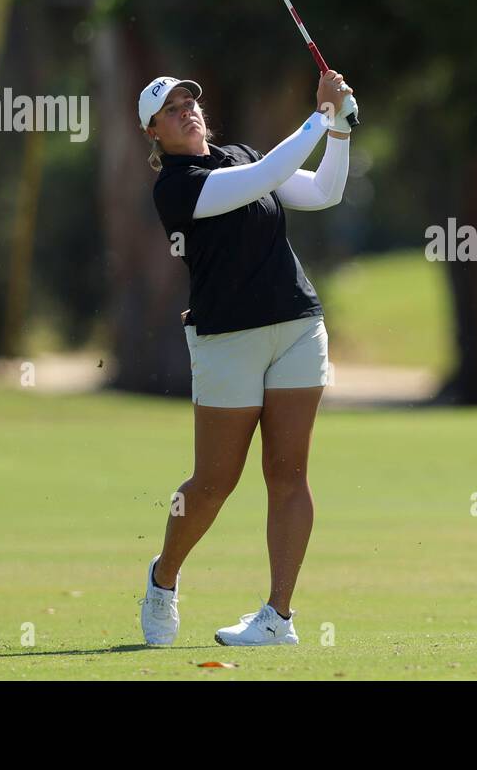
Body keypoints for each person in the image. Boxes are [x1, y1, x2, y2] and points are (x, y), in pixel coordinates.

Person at [135, 69, 355, 647]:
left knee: (288, 474)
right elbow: (265, 177)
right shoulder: (176, 188)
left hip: (298, 326)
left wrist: (341, 134)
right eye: (172, 109)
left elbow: (322, 192)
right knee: (213, 482)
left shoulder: (239, 154)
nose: (188, 111)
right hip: (227, 339)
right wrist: (321, 115)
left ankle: (278, 616)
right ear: (153, 132)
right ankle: (164, 578)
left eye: (190, 101)